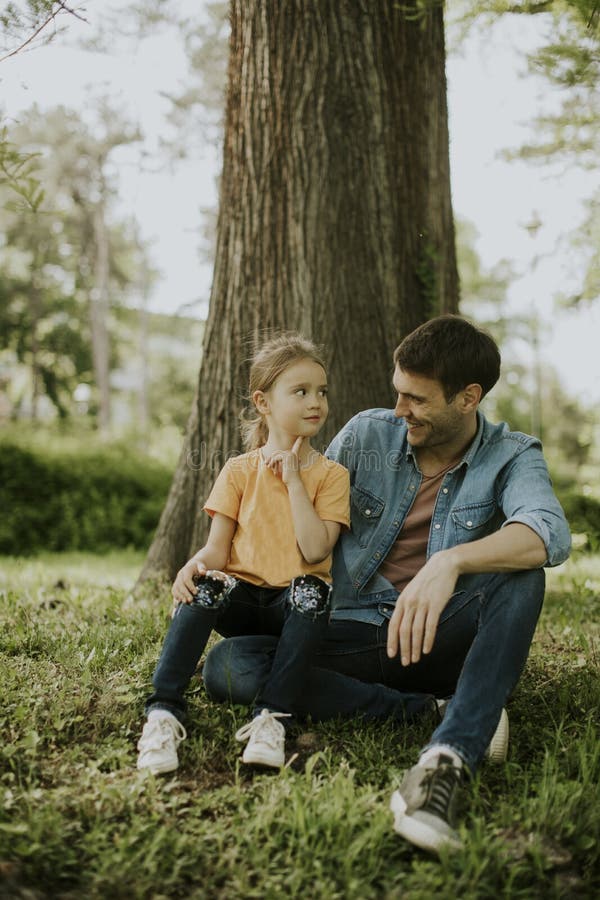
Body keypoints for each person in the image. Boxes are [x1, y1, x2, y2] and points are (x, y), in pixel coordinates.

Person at [202, 315, 571, 853]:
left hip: (435, 639)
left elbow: (548, 532)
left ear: (468, 398)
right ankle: (431, 710)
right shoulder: (367, 434)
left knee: (521, 578)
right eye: (398, 393)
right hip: (344, 632)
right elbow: (297, 521)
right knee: (228, 665)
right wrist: (217, 555)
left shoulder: (512, 456)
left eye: (417, 400)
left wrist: (449, 565)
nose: (400, 411)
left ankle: (448, 757)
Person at [136, 333, 356, 774]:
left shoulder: (331, 475)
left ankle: (270, 718)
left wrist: (295, 481)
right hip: (240, 601)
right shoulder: (238, 470)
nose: (316, 402)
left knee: (312, 589)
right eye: (300, 391)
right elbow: (217, 550)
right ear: (263, 402)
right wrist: (193, 566)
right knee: (207, 584)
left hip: (292, 608)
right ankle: (162, 712)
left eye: (321, 391)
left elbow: (315, 551)